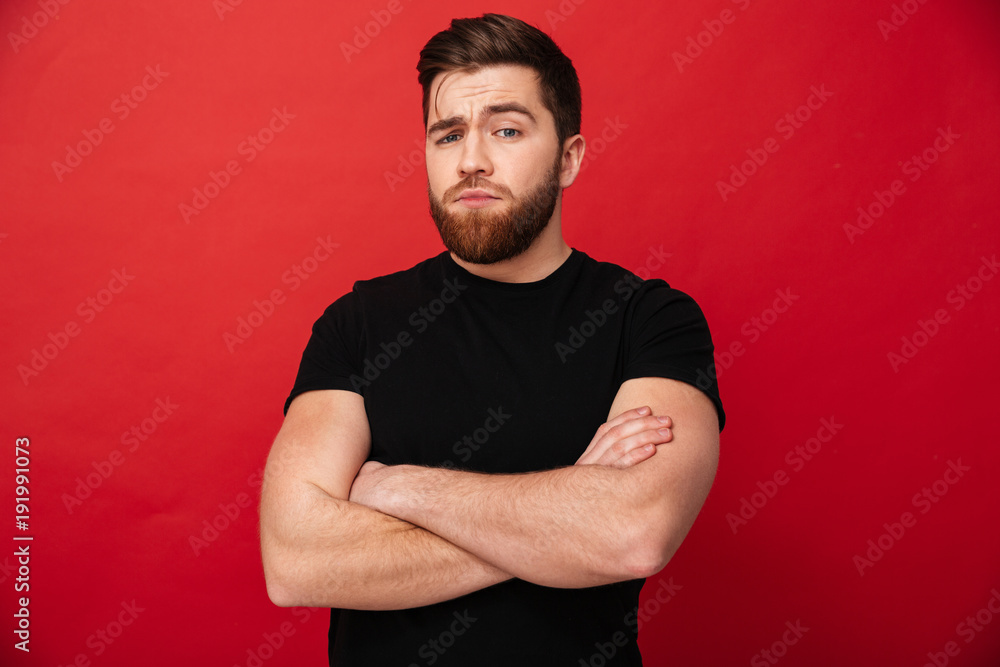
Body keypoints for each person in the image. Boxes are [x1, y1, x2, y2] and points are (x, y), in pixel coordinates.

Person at [259, 13, 725, 666]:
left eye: (507, 129)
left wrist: (401, 489)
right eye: (449, 134)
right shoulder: (358, 323)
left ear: (568, 158)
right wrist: (569, 514)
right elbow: (295, 561)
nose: (471, 160)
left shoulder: (649, 320)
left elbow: (633, 534)